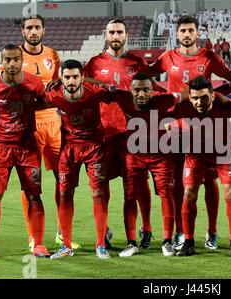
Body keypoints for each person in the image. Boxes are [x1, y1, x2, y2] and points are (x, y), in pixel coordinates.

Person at [150, 15, 231, 251]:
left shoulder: (209, 56)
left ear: (198, 33)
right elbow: (147, 77)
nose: (187, 34)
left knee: (210, 180)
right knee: (178, 182)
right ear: (176, 34)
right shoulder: (167, 57)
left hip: (205, 126)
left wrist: (218, 96)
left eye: (191, 30)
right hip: (176, 128)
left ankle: (212, 232)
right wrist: (166, 97)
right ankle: (181, 233)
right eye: (183, 31)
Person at [0, 15, 69, 252]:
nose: (34, 31)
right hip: (26, 127)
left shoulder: (53, 55)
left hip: (54, 123)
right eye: (29, 27)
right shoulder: (13, 57)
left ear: (44, 30)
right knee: (30, 185)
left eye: (38, 27)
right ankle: (33, 238)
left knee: (64, 181)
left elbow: (58, 87)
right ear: (23, 32)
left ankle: (63, 234)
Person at [83, 19, 157, 250]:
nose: (116, 36)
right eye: (112, 32)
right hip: (103, 134)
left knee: (136, 185)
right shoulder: (94, 63)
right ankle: (103, 230)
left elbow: (150, 92)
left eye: (120, 32)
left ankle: (146, 229)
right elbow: (85, 93)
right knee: (101, 184)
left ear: (126, 35)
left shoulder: (137, 62)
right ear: (105, 34)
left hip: (133, 134)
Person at [0, 44, 50, 259]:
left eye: (15, 59)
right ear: (2, 61)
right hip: (0, 148)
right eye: (7, 59)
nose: (11, 63)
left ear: (21, 60)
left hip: (28, 148)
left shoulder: (34, 83)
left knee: (34, 195)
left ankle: (38, 244)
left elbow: (47, 104)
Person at [106, 72, 184, 257]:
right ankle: (131, 243)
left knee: (167, 196)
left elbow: (187, 95)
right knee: (130, 196)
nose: (141, 94)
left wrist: (218, 96)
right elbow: (98, 88)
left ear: (152, 90)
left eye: (146, 90)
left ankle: (167, 241)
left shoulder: (164, 99)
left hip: (161, 155)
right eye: (137, 90)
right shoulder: (122, 97)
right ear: (130, 90)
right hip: (134, 155)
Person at [44, 60, 111, 260]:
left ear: (82, 77)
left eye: (75, 76)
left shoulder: (94, 92)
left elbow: (112, 92)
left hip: (94, 149)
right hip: (69, 150)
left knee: (98, 193)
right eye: (67, 77)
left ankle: (101, 245)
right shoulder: (53, 95)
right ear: (61, 79)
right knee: (65, 195)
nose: (71, 81)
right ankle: (65, 246)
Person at [169, 76, 231, 257]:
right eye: (194, 98)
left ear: (212, 95)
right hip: (196, 156)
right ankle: (189, 242)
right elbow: (165, 121)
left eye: (203, 97)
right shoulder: (183, 108)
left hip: (223, 154)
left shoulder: (227, 106)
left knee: (230, 192)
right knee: (189, 193)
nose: (199, 102)